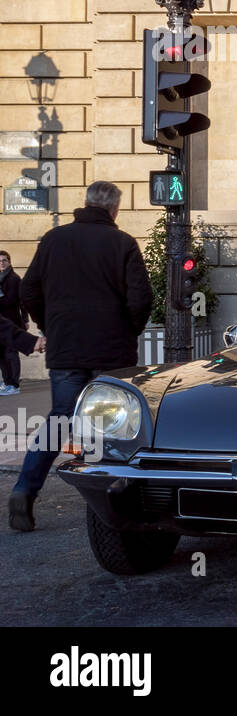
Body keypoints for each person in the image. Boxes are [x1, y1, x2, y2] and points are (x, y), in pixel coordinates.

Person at [10, 181, 153, 532]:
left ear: (85, 203)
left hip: (66, 347)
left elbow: (29, 291)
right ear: (114, 209)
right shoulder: (122, 243)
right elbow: (141, 299)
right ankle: (111, 498)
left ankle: (24, 489)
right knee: (113, 421)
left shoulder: (54, 239)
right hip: (111, 349)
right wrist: (127, 330)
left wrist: (51, 324)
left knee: (60, 419)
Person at [0, 249, 25, 395]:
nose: (2, 263)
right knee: (1, 354)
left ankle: (14, 385)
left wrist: (25, 319)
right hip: (2, 323)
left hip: (11, 322)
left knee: (11, 353)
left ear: (9, 262)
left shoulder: (14, 279)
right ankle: (7, 381)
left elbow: (14, 301)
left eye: (4, 260)